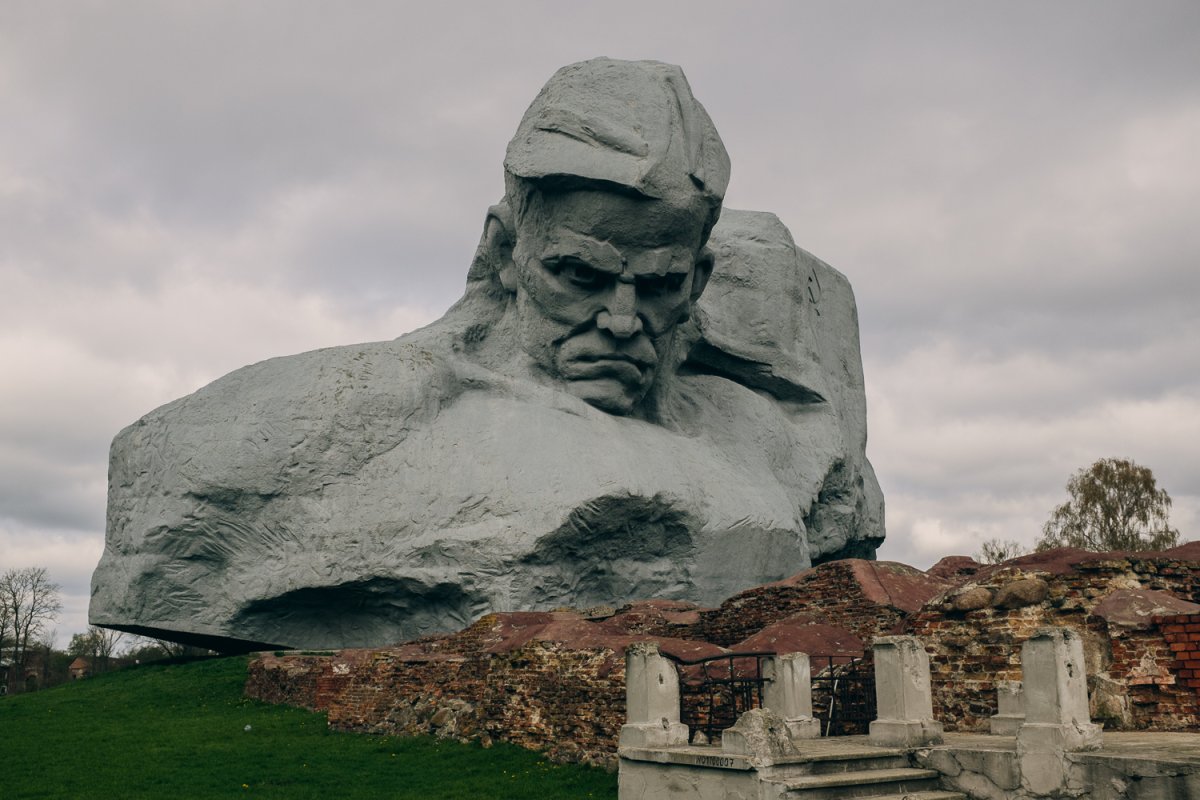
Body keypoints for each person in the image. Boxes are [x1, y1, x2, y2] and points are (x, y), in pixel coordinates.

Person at [90, 59, 882, 651]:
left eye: (659, 286)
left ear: (699, 278)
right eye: (578, 275)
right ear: (507, 249)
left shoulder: (758, 430)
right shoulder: (365, 403)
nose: (619, 320)